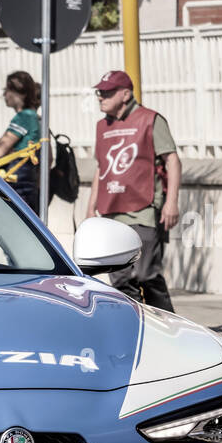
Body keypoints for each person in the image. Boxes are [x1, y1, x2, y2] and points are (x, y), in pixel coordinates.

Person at [85, 69, 181, 311]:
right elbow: (102, 168)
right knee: (119, 280)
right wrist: (90, 208)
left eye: (107, 92)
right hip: (110, 212)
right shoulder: (102, 126)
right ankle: (137, 326)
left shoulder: (150, 119)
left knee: (146, 275)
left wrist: (171, 202)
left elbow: (172, 160)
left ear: (125, 94)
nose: (100, 96)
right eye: (99, 92)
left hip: (143, 209)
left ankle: (168, 326)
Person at [0, 70, 43, 215]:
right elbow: (47, 158)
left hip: (17, 188)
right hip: (29, 188)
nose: (4, 94)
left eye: (7, 90)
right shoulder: (37, 119)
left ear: (20, 93)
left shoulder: (23, 117)